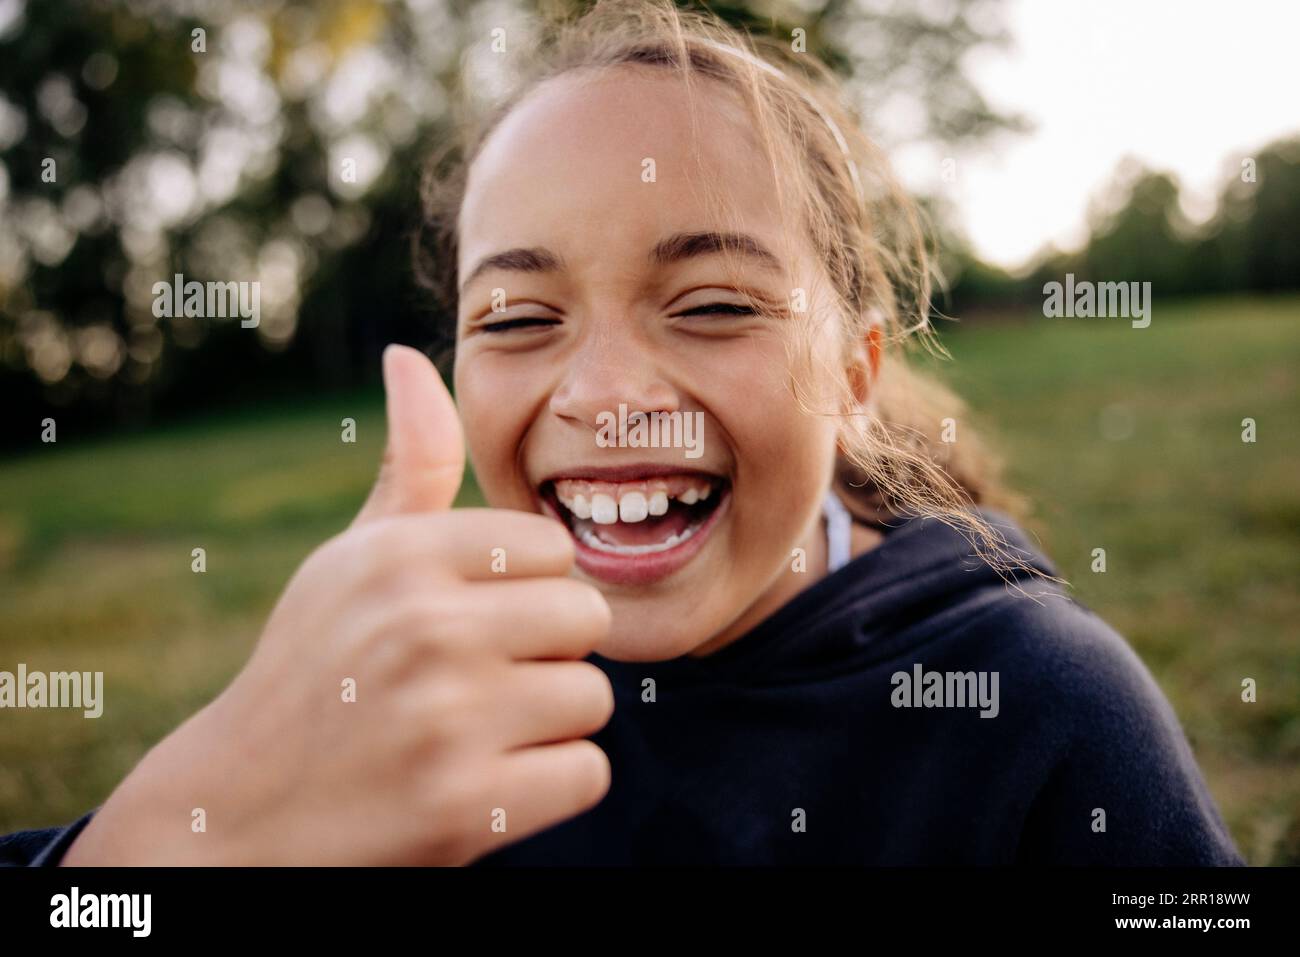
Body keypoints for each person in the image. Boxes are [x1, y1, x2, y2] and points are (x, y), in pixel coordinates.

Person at [2, 0, 1241, 866]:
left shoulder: (1041, 715)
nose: (606, 394)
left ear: (856, 371)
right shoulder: (410, 704)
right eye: (519, 315)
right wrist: (179, 830)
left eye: (710, 305)